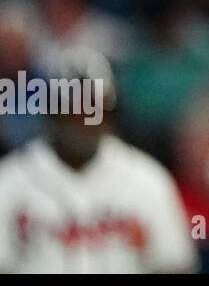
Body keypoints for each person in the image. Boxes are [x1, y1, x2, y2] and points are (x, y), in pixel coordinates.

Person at [0, 47, 197, 272]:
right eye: (72, 108)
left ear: (110, 113)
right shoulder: (9, 180)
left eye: (94, 107)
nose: (84, 119)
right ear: (52, 112)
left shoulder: (148, 179)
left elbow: (174, 264)